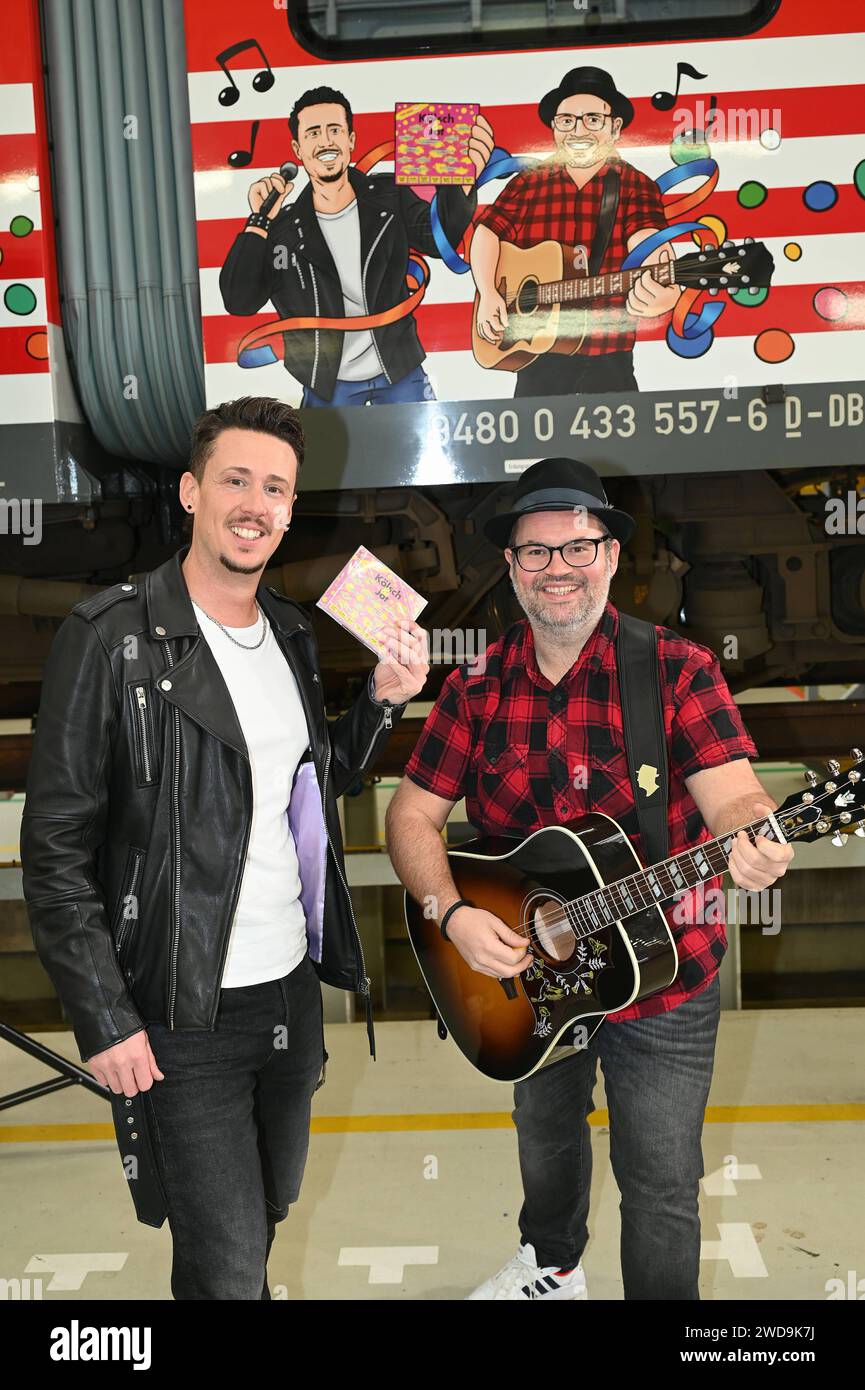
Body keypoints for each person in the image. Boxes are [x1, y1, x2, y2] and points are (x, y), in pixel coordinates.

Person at [21, 394, 429, 1300]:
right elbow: (52, 849)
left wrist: (382, 703)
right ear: (190, 492)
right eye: (235, 480)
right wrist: (104, 1014)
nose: (255, 503)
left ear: (289, 509)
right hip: (177, 1006)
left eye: (275, 488)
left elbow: (319, 789)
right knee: (233, 1262)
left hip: (286, 988)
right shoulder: (108, 637)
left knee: (257, 1220)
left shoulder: (288, 631)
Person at [385, 456, 793, 1300]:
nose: (557, 569)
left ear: (610, 555)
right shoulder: (475, 687)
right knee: (546, 1142)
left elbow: (733, 793)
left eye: (578, 548)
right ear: (510, 566)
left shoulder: (676, 670)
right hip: (527, 978)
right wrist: (452, 912)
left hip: (664, 975)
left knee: (660, 1184)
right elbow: (410, 817)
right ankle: (552, 1269)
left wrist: (753, 835)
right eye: (535, 553)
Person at [220, 85, 494, 407]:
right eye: (313, 133)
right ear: (297, 148)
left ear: (351, 140)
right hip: (325, 385)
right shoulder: (281, 229)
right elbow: (240, 301)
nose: (325, 142)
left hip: (400, 371)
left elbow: (439, 240)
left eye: (334, 130)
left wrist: (458, 183)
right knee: (325, 460)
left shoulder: (389, 196)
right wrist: (259, 221)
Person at [471, 67, 681, 396]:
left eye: (592, 120)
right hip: (536, 356)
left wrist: (665, 286)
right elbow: (487, 232)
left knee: (624, 445)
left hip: (610, 358)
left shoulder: (634, 184)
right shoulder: (529, 183)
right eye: (566, 120)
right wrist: (488, 293)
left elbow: (647, 240)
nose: (577, 131)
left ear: (615, 127)